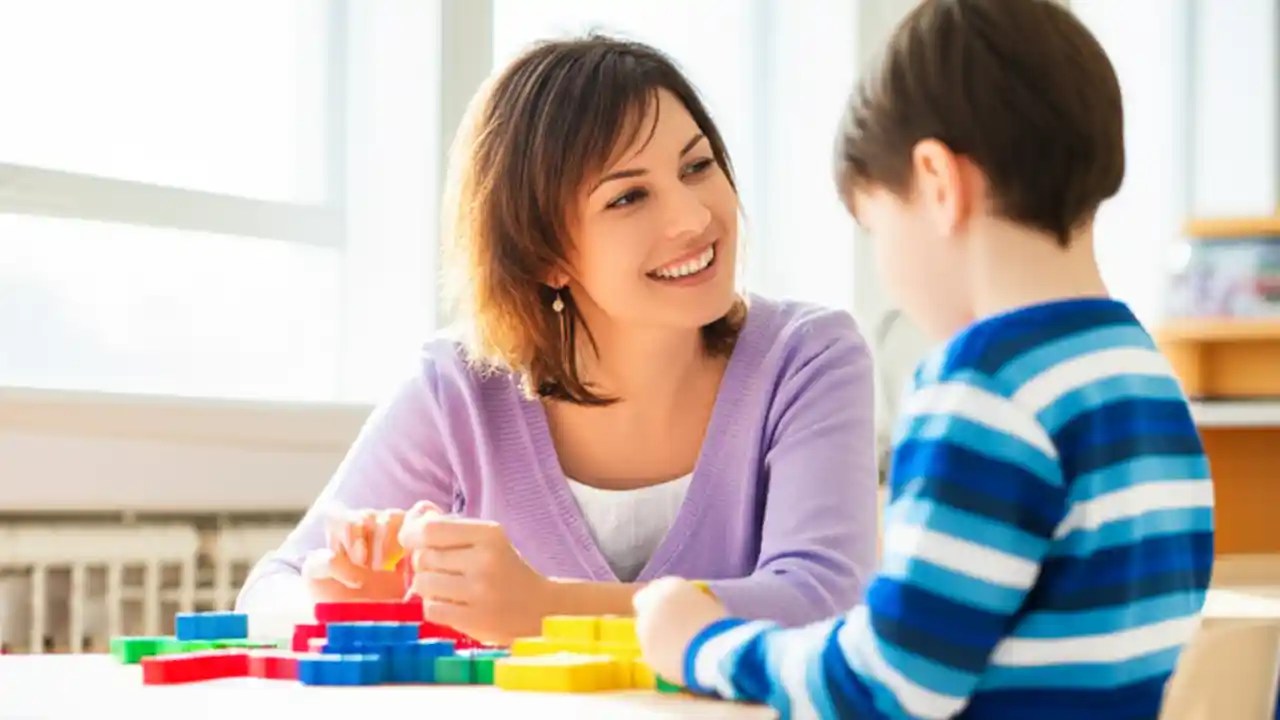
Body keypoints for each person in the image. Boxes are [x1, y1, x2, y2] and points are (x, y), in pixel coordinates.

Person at [633, 1, 1215, 717]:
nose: (887, 268)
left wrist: (706, 642)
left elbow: (887, 682)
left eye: (877, 228)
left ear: (939, 184)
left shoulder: (985, 388)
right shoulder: (1142, 377)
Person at [236, 35, 879, 645]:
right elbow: (269, 593)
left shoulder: (808, 357)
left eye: (698, 165)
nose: (693, 217)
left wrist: (545, 607)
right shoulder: (459, 388)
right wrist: (341, 607)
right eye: (629, 197)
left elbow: (823, 603)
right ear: (544, 254)